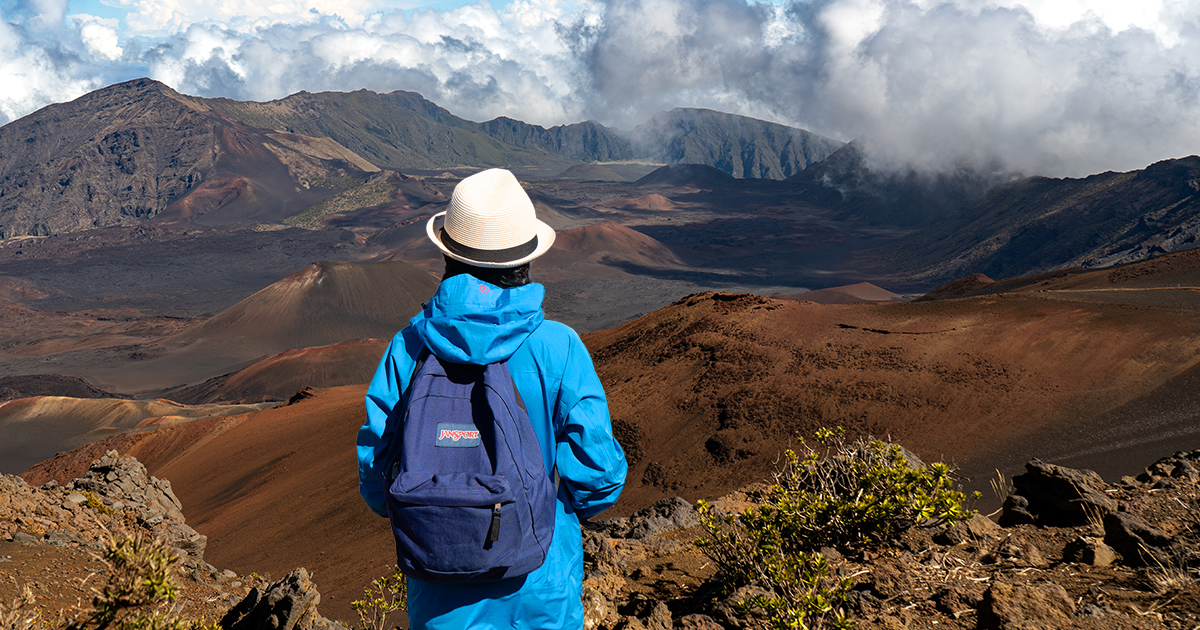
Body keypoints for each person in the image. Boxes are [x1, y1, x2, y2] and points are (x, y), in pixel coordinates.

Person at [357, 168, 628, 629]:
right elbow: (598, 476)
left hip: (439, 589)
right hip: (539, 589)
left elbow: (376, 478)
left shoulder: (408, 346)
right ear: (525, 261)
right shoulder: (557, 345)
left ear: (447, 254)